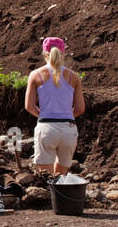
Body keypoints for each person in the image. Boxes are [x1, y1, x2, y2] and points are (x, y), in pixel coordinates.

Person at [24, 36, 85, 176]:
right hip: (68, 130)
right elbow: (80, 108)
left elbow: (29, 106)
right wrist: (66, 116)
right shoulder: (74, 77)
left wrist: (45, 115)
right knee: (61, 178)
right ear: (63, 53)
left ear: (44, 54)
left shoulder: (36, 75)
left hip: (47, 128)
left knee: (46, 176)